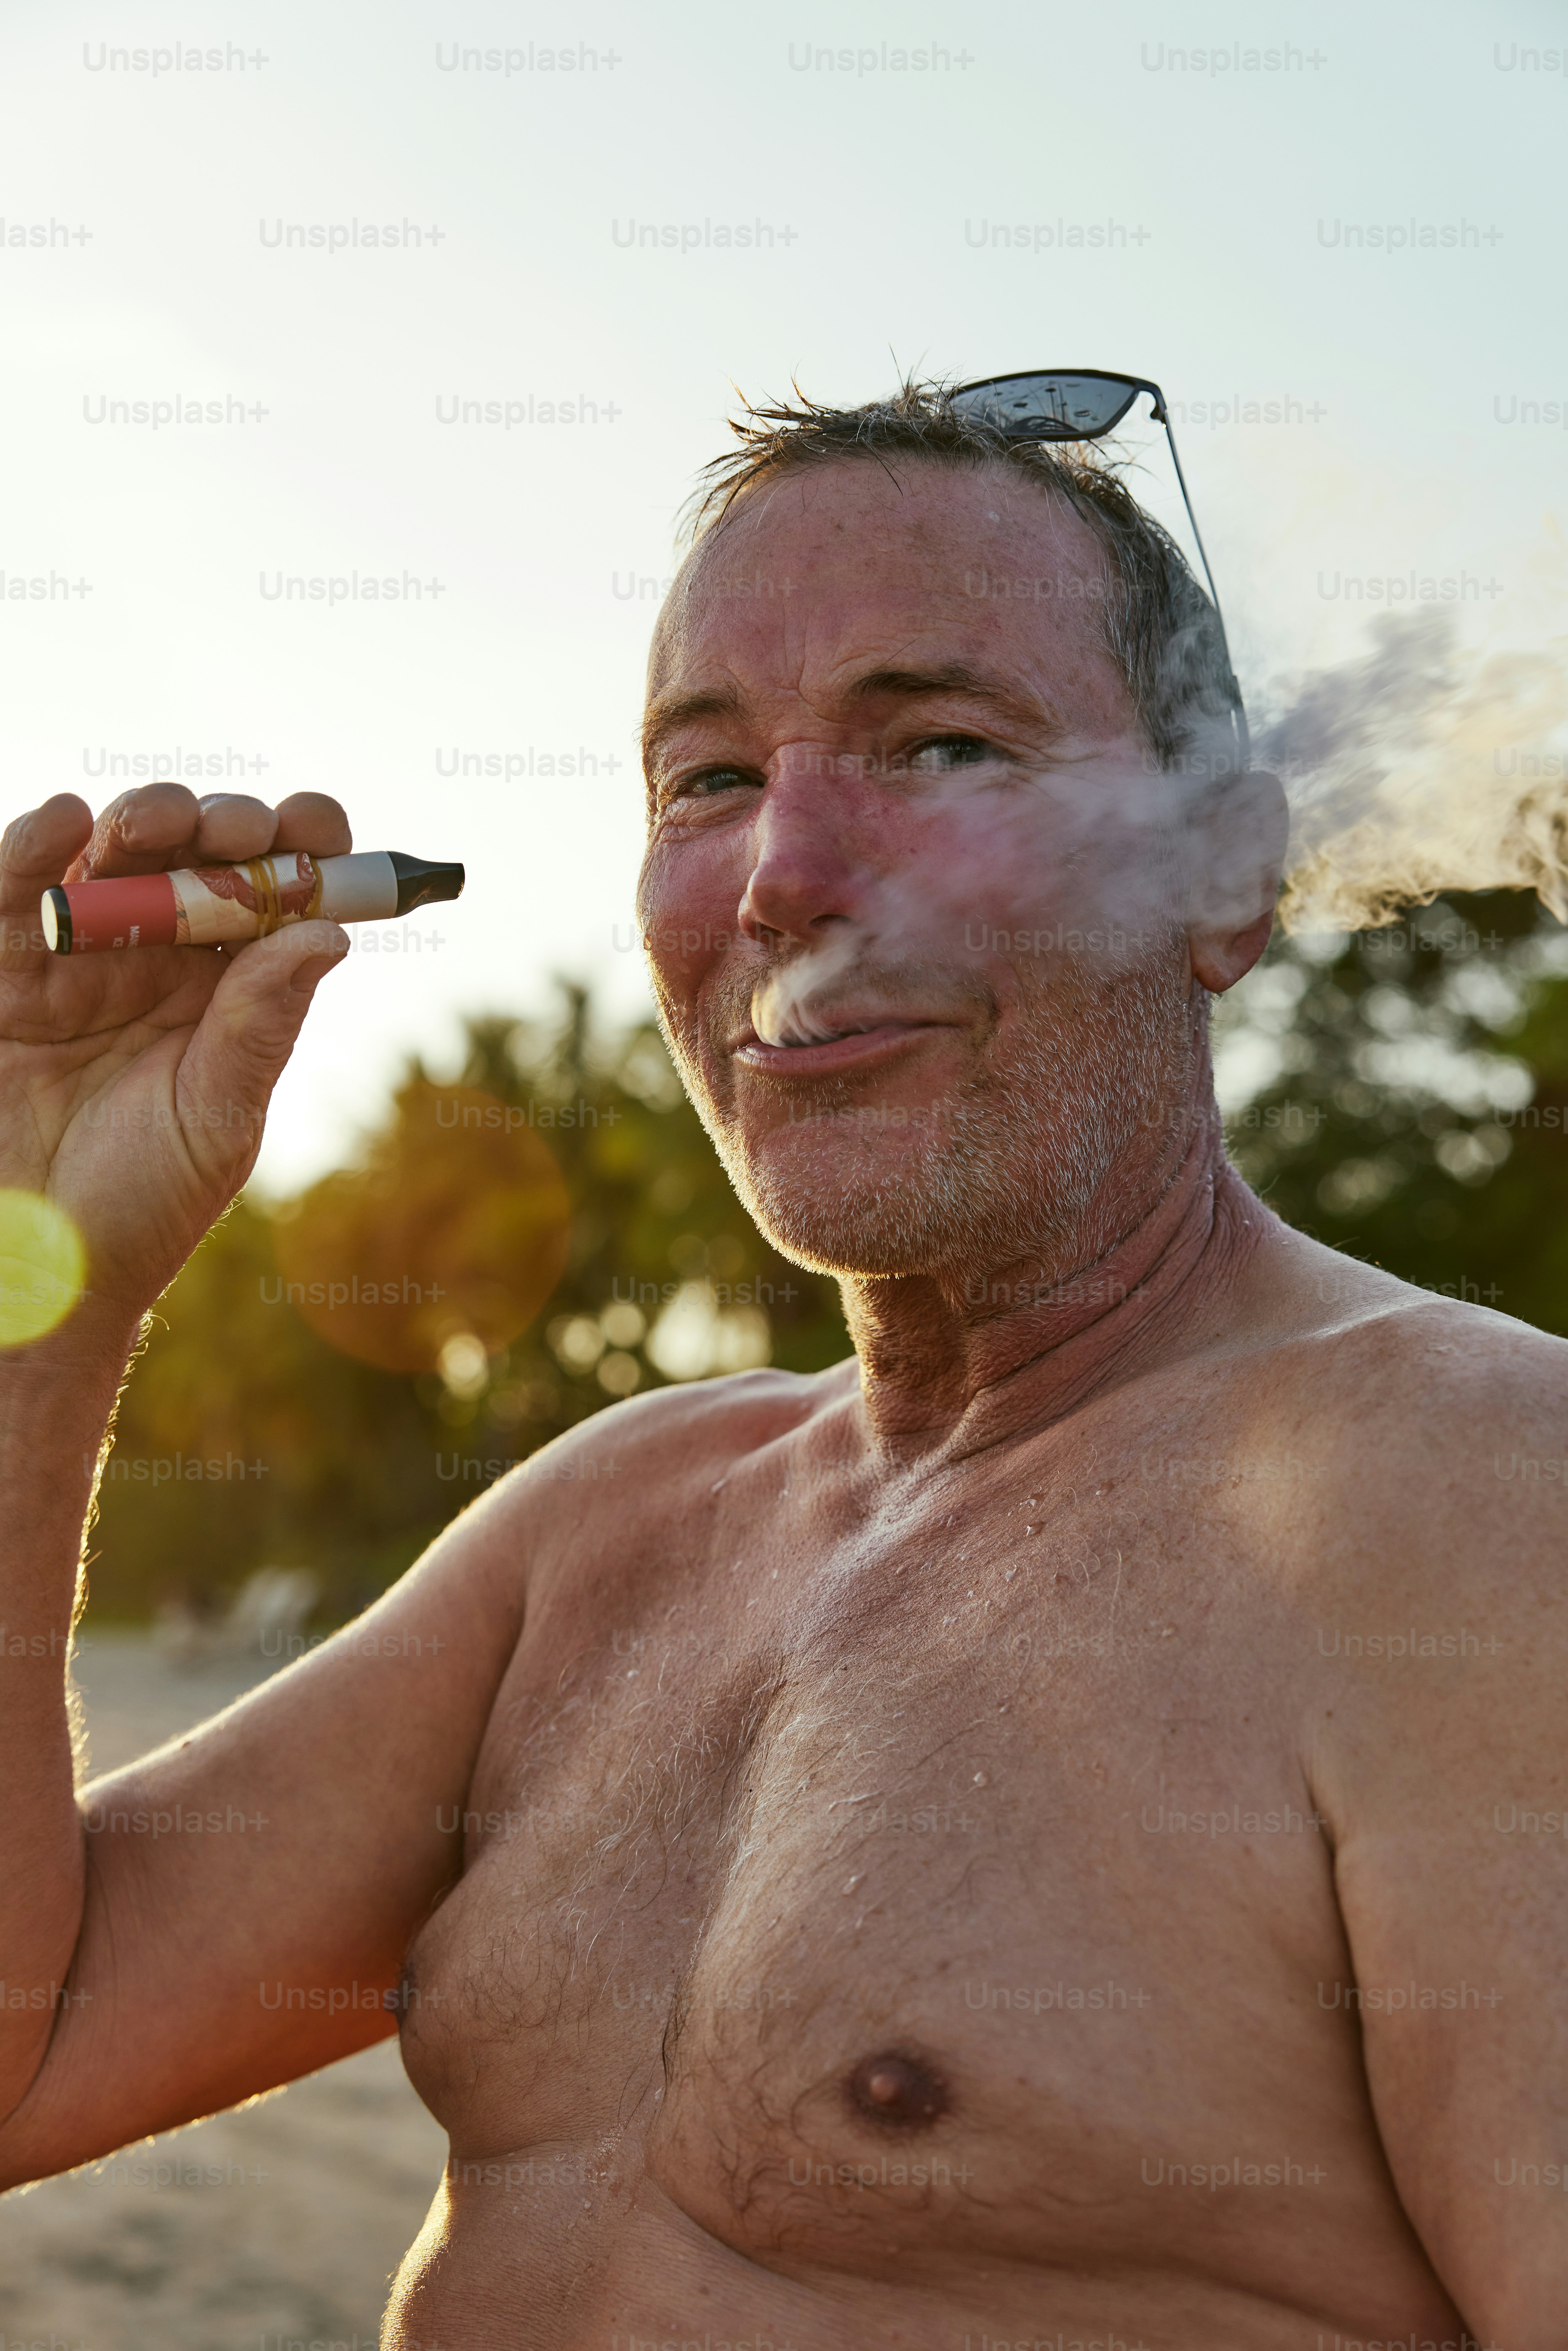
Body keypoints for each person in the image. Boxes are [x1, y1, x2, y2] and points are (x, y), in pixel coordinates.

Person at [0, 385, 1561, 2349]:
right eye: (707, 780)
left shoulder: (1480, 1506)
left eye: (941, 744)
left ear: (1221, 874)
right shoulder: (604, 1528)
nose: (784, 877)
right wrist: (43, 1292)